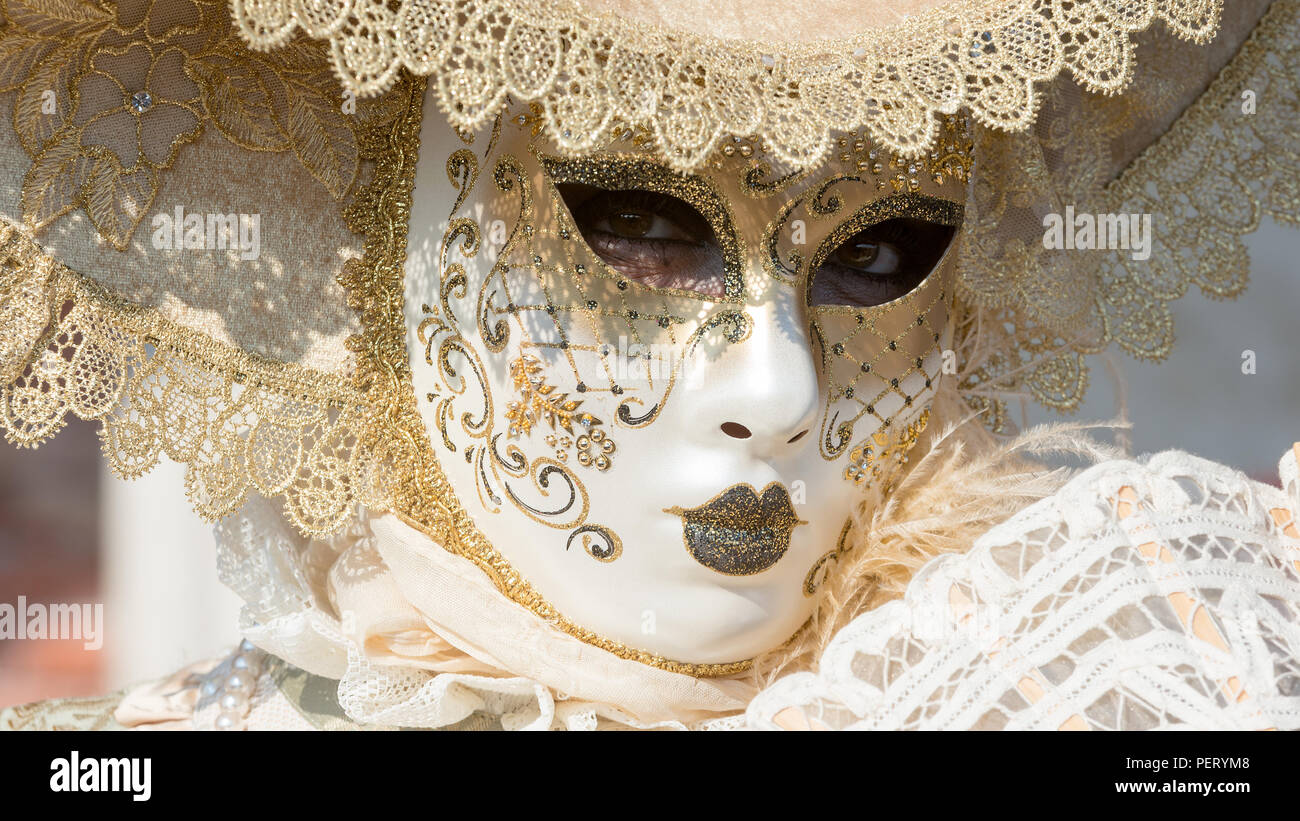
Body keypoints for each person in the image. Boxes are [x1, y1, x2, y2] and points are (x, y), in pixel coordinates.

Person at [1, 0, 1298, 730]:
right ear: (389, 225)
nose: (775, 390)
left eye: (878, 253)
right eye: (641, 228)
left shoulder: (1119, 692)